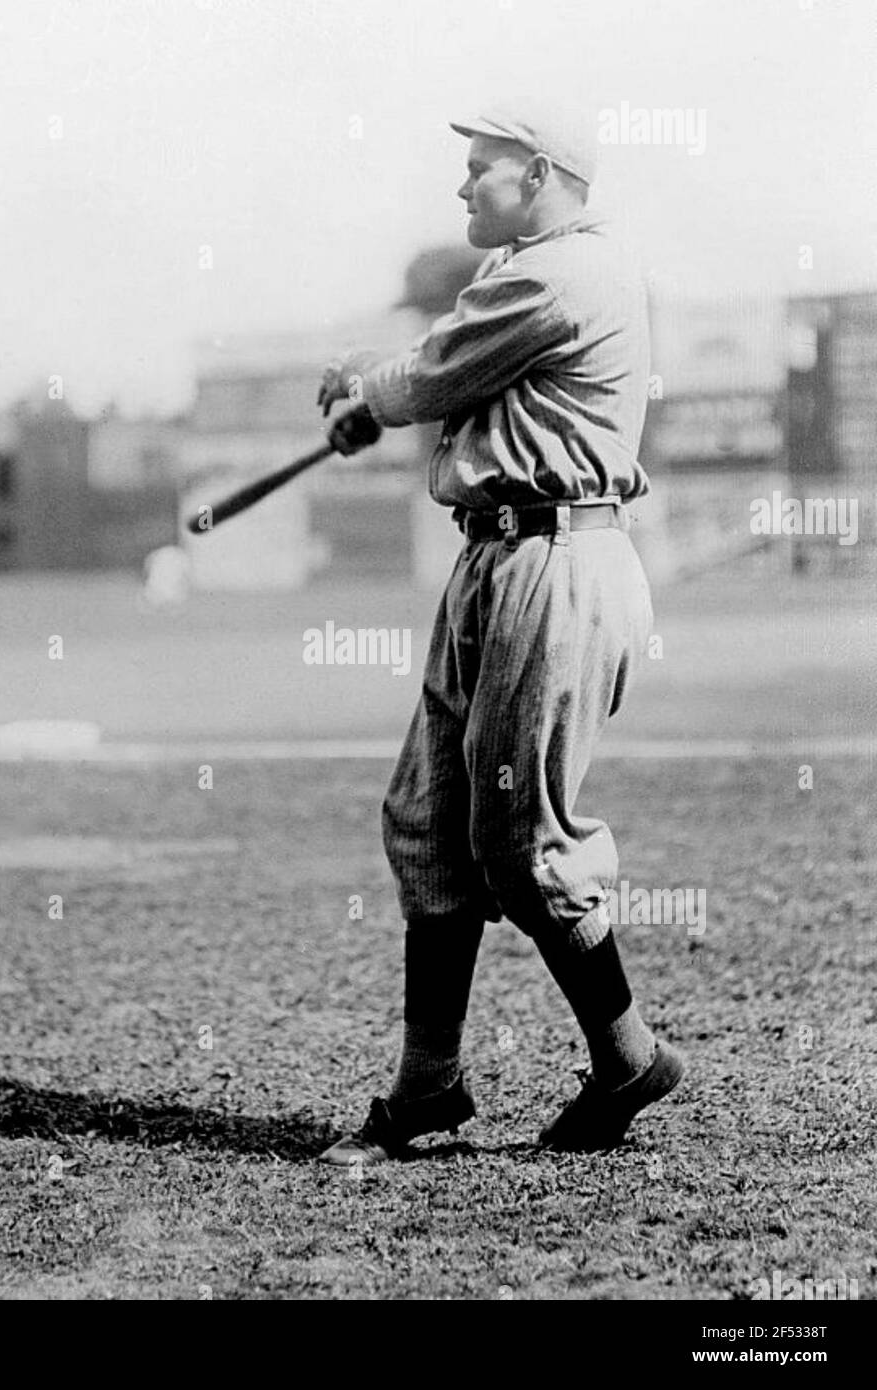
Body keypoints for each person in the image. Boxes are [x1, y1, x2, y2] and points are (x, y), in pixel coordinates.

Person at [316, 100, 684, 1164]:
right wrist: (377, 403)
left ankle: (628, 1058)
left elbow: (429, 373)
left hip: (555, 562)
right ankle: (426, 1086)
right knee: (429, 822)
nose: (462, 186)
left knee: (523, 844)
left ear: (540, 176)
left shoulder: (567, 270)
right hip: (495, 556)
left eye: (480, 169)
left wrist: (361, 386)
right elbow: (458, 382)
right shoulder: (529, 270)